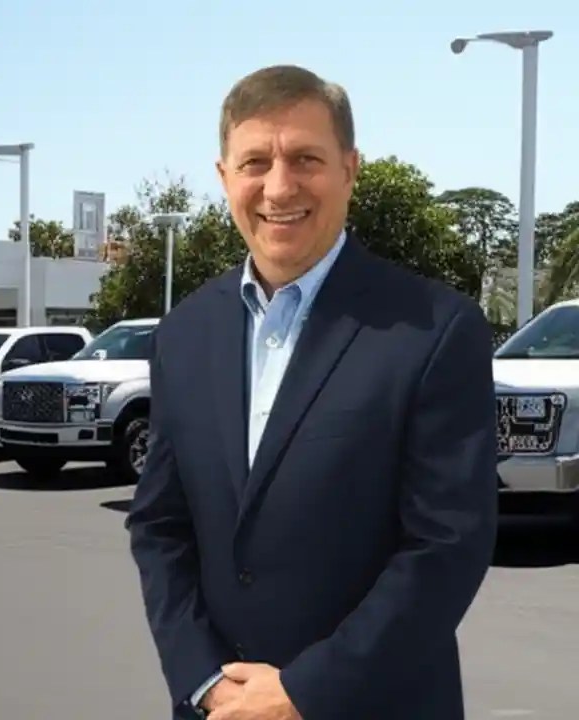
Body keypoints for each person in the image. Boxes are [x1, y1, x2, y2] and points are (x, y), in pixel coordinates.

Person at [126, 64, 498, 720]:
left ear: (351, 169)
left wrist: (304, 692)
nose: (278, 186)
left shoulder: (435, 330)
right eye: (255, 162)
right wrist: (203, 678)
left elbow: (447, 547)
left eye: (305, 158)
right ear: (223, 178)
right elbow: (161, 525)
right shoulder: (182, 335)